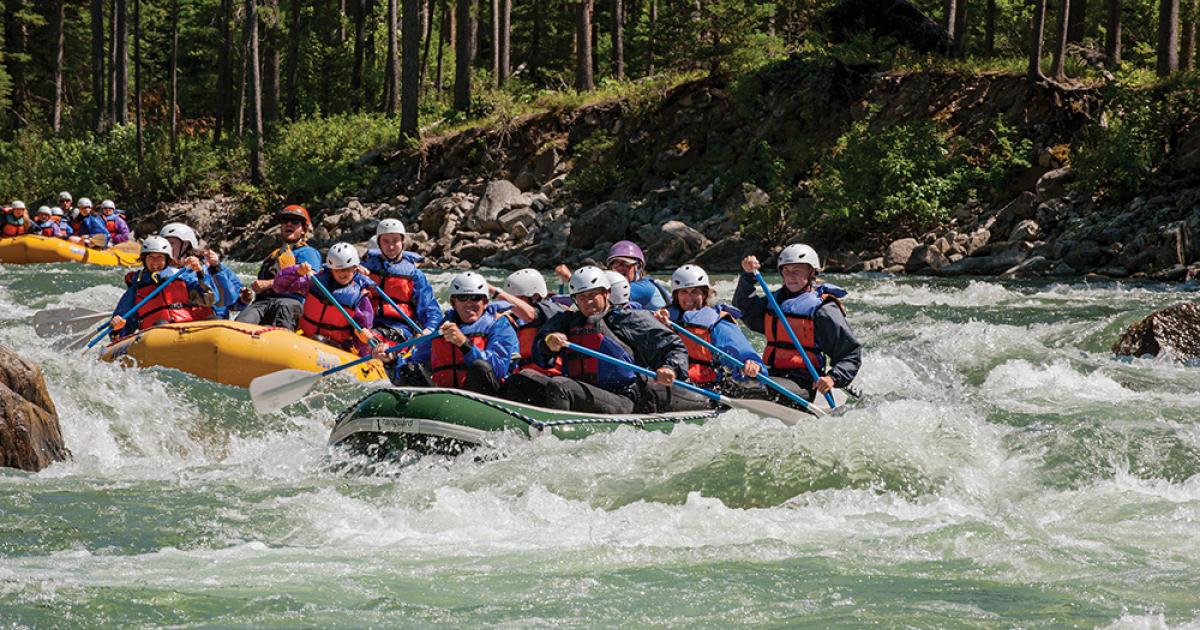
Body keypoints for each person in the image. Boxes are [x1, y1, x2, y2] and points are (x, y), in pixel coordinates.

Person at [502, 266, 709, 414]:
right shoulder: (566, 321)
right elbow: (540, 353)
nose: (588, 301)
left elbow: (673, 346)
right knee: (522, 379)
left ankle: (549, 439)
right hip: (582, 392)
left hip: (623, 399)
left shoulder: (628, 319)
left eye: (593, 295)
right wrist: (548, 343)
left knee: (560, 386)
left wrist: (670, 368)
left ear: (607, 294)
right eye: (581, 297)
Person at [734, 244, 861, 405]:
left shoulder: (823, 309)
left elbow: (849, 352)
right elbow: (745, 310)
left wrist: (833, 377)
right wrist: (747, 276)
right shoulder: (774, 301)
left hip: (803, 382)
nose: (790, 276)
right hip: (772, 372)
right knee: (734, 381)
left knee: (754, 388)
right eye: (786, 270)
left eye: (797, 270)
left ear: (811, 272)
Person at [384, 272, 518, 396]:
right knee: (411, 370)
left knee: (480, 367)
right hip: (446, 396)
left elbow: (499, 368)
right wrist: (391, 361)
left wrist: (464, 344)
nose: (469, 303)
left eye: (476, 298)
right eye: (463, 297)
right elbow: (414, 360)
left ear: (485, 302)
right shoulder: (442, 327)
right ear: (454, 303)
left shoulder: (499, 324)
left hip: (485, 396)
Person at [656, 264, 766, 395]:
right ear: (676, 295)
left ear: (704, 294)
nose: (689, 298)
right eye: (684, 292)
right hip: (667, 380)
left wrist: (751, 363)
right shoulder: (663, 317)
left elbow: (739, 349)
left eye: (695, 292)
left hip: (702, 389)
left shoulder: (716, 322)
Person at [273, 242, 379, 356]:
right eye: (338, 270)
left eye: (347, 269)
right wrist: (296, 271)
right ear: (331, 269)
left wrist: (364, 341)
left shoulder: (360, 298)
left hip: (337, 348)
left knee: (319, 340)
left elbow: (363, 344)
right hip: (307, 338)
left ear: (355, 268)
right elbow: (279, 287)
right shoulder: (315, 281)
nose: (343, 274)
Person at [234, 204, 323, 329]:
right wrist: (249, 294)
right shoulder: (273, 255)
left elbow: (311, 281)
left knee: (284, 307)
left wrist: (269, 283)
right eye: (285, 221)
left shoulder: (307, 252)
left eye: (295, 221)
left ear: (303, 229)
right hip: (263, 302)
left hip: (292, 302)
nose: (289, 224)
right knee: (242, 322)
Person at [108, 236, 215, 339]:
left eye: (159, 257)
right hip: (157, 336)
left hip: (188, 328)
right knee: (162, 324)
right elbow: (121, 326)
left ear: (167, 259)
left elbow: (209, 300)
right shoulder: (136, 289)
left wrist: (200, 273)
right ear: (144, 260)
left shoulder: (182, 278)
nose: (155, 262)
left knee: (213, 319)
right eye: (150, 257)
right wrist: (118, 328)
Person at [360, 219, 443, 343]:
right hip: (366, 323)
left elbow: (430, 309)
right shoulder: (365, 267)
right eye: (386, 241)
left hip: (398, 327)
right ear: (378, 242)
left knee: (376, 336)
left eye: (395, 241)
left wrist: (429, 330)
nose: (391, 246)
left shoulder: (414, 275)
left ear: (402, 241)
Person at [160, 222, 243, 319]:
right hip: (175, 322)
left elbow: (233, 303)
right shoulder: (156, 272)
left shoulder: (212, 268)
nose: (165, 248)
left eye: (171, 243)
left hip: (211, 320)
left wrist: (243, 300)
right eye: (163, 244)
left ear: (185, 245)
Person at [493, 269, 566, 377]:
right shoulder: (512, 320)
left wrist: (494, 292)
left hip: (551, 378)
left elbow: (531, 315)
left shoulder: (552, 312)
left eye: (516, 299)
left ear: (534, 296)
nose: (511, 304)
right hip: (523, 378)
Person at [607, 240, 671, 310]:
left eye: (626, 264)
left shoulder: (643, 288)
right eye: (616, 264)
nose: (620, 268)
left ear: (638, 267)